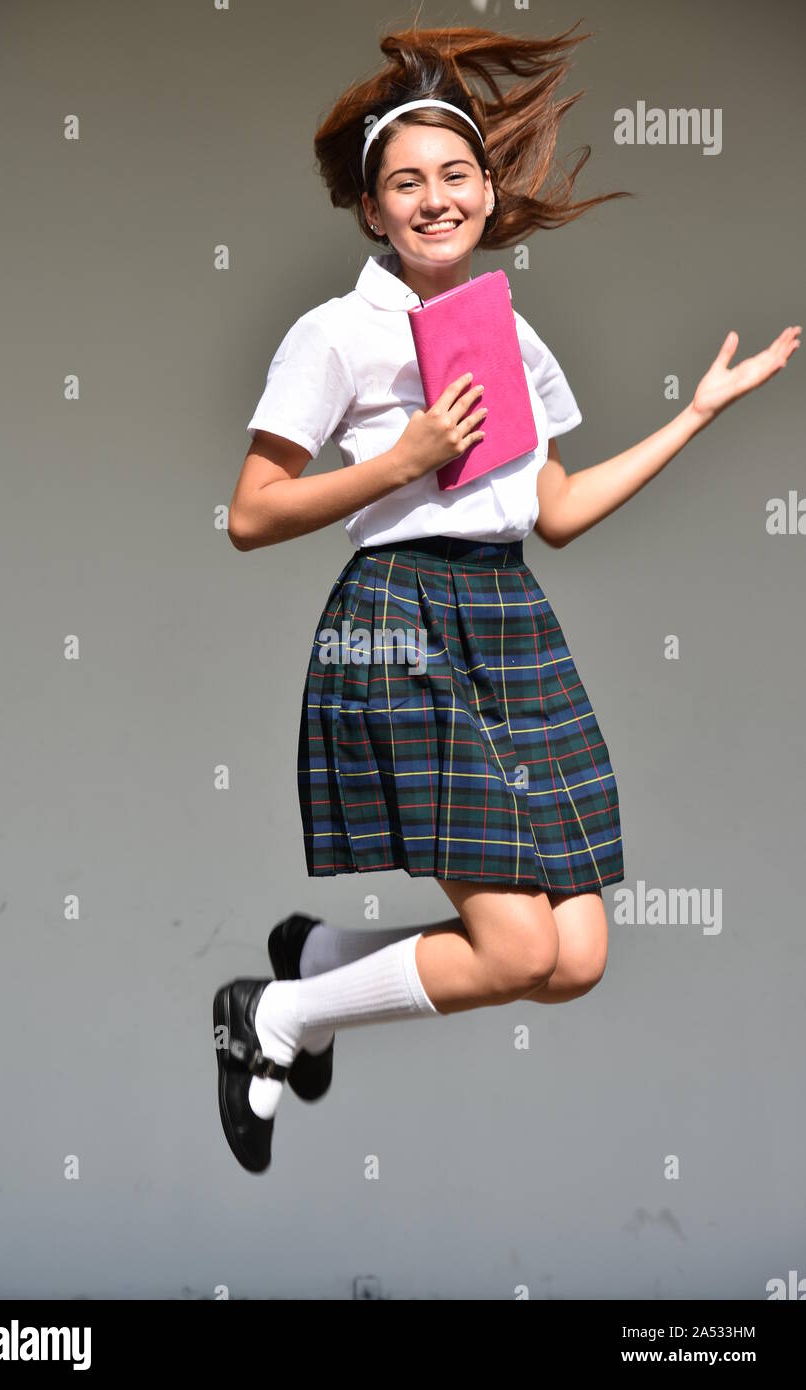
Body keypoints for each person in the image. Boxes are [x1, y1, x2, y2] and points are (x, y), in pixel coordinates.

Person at [214, 23, 800, 1173]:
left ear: (485, 191)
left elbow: (559, 508)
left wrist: (697, 415)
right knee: (512, 940)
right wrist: (401, 458)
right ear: (372, 211)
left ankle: (318, 958)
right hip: (399, 623)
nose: (432, 200)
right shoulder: (333, 336)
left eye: (452, 176)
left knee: (571, 957)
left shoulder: (509, 336)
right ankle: (272, 1015)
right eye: (403, 185)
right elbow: (249, 513)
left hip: (507, 619)